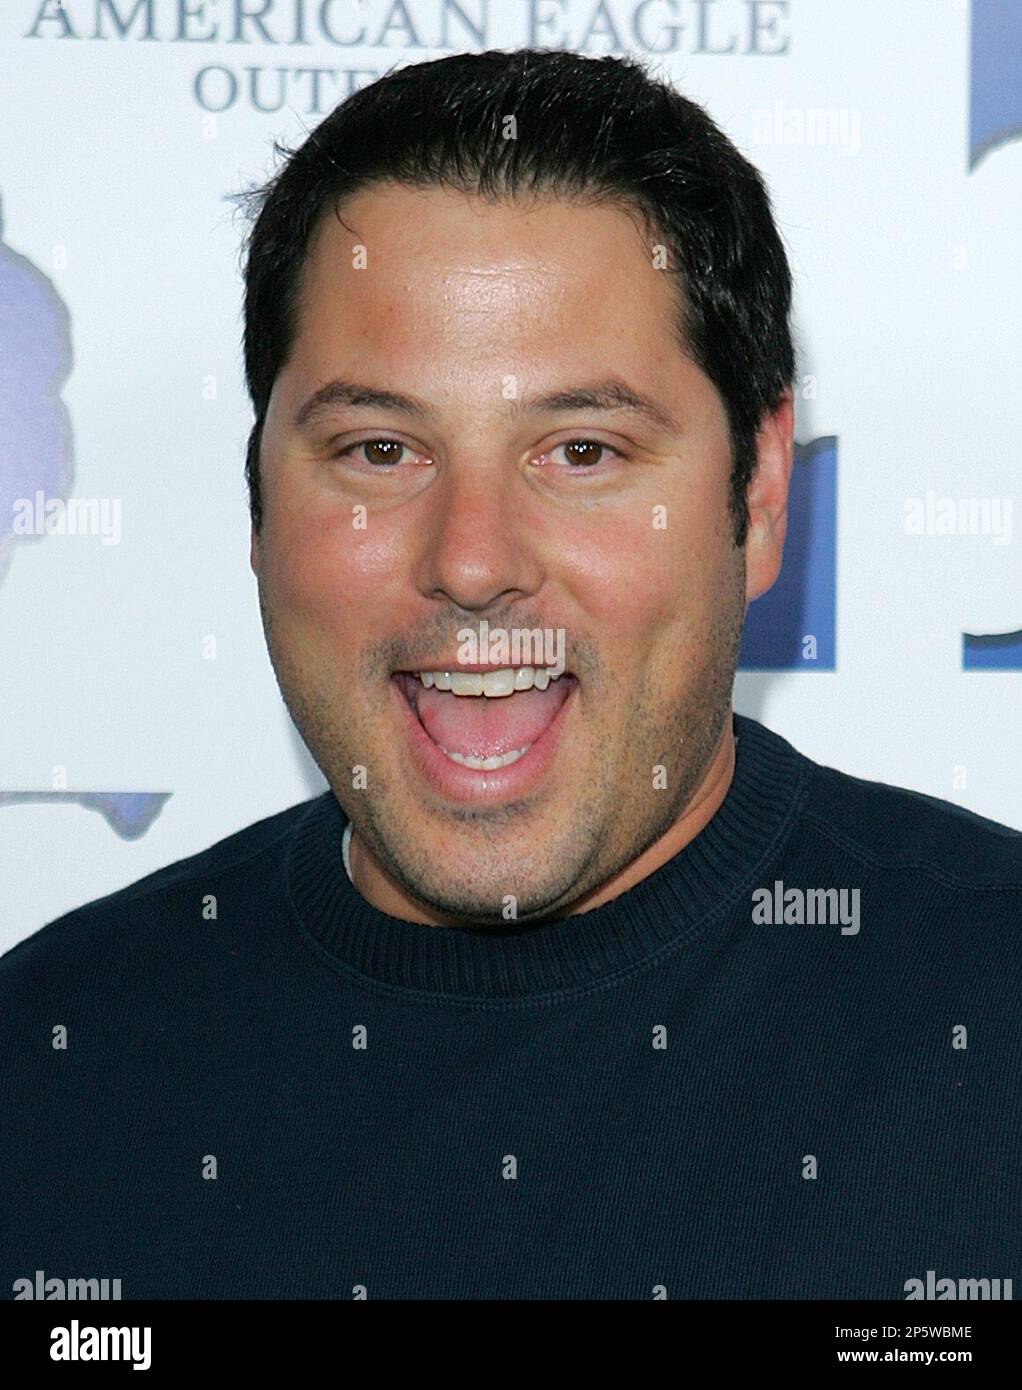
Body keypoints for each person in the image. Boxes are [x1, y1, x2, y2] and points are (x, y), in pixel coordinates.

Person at [3, 49, 1019, 1302]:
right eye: (380, 448)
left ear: (756, 495)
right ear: (259, 499)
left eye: (581, 450)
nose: (472, 560)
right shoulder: (51, 1058)